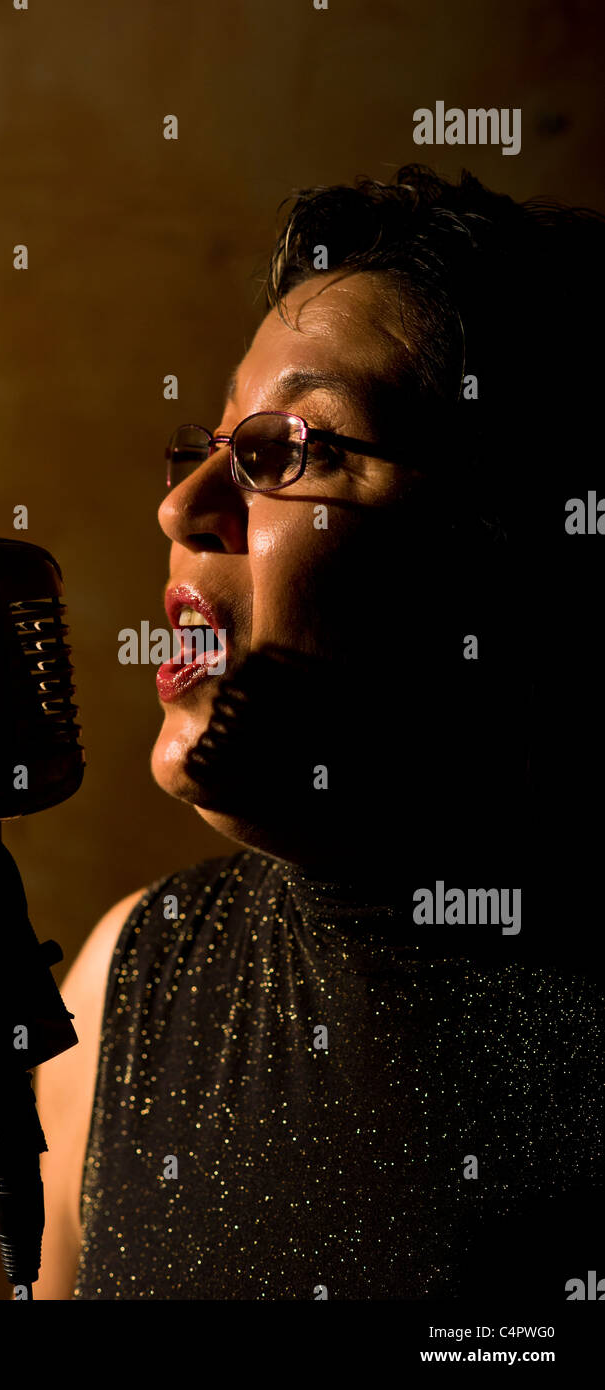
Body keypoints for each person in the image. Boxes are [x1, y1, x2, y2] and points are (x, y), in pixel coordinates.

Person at [33, 164, 605, 1300]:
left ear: (505, 554)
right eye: (210, 442)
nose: (183, 507)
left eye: (293, 449)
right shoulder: (114, 998)